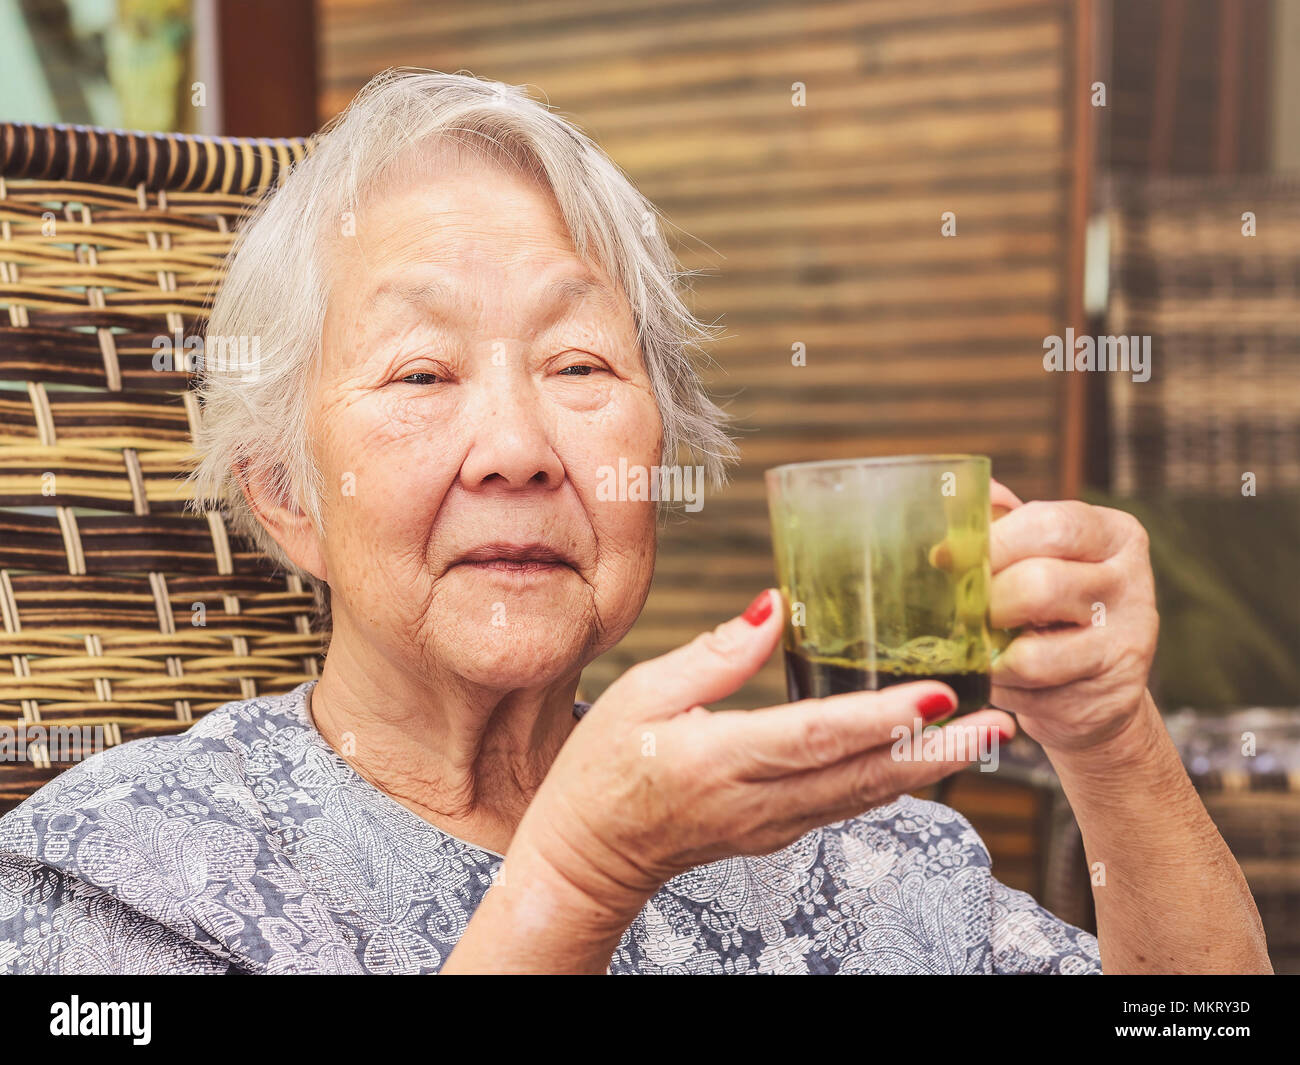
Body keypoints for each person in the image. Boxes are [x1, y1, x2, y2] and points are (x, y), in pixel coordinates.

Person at [0, 71, 1270, 975]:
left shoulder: (839, 844)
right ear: (284, 494)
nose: (516, 451)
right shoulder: (123, 871)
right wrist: (577, 884)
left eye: (581, 367)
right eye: (421, 374)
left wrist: (1110, 745)